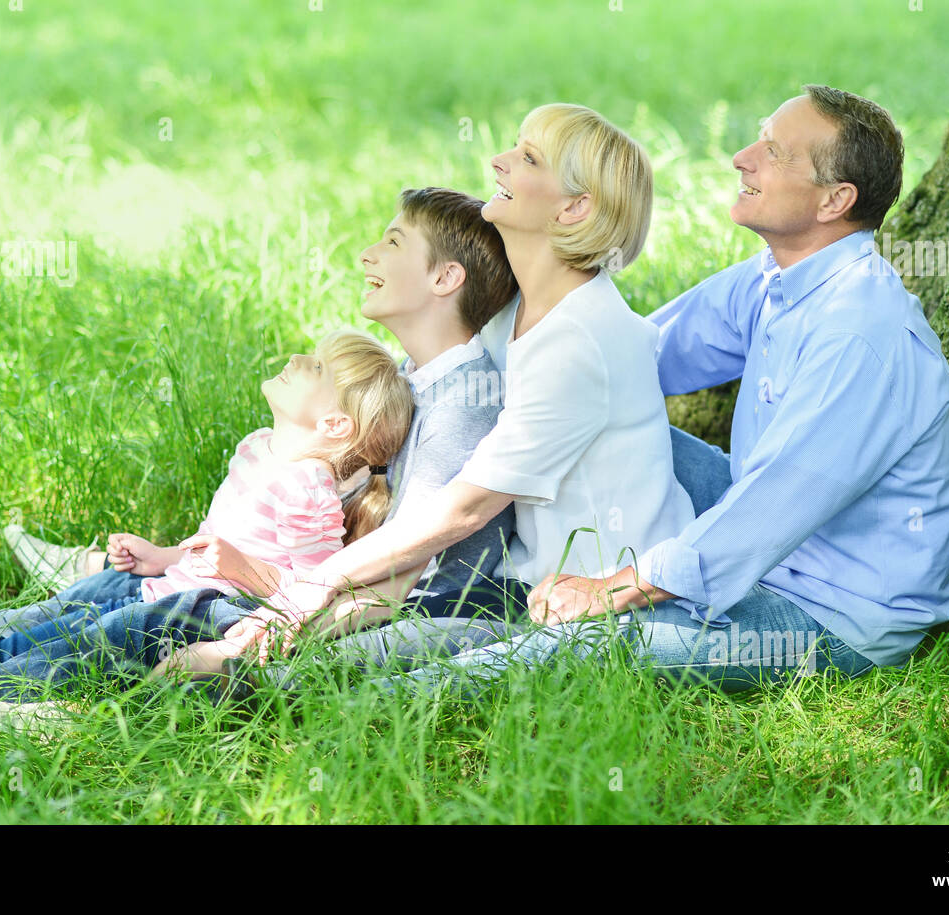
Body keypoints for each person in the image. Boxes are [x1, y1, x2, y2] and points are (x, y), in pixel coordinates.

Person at [268, 85, 949, 696]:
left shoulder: (858, 335)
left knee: (594, 647)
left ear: (834, 200)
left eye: (775, 152)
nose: (741, 158)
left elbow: (769, 510)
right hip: (773, 537)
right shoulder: (777, 280)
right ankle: (434, 582)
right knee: (603, 423)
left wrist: (612, 589)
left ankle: (355, 698)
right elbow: (637, 358)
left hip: (828, 608)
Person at [0, 187, 522, 701]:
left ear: (445, 277)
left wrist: (264, 626)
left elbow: (400, 581)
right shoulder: (414, 377)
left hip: (338, 613)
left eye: (392, 243)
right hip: (286, 589)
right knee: (76, 611)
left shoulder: (459, 409)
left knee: (121, 622)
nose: (366, 254)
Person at [215, 102, 700, 675]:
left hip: (602, 616)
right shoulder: (515, 313)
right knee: (276, 633)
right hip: (523, 588)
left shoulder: (580, 341)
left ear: (575, 207)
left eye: (527, 158)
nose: (499, 162)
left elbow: (465, 509)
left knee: (322, 672)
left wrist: (312, 587)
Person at [0, 328, 415, 692]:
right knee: (23, 622)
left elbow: (307, 591)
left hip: (181, 613)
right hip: (153, 583)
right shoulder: (258, 445)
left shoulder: (309, 492)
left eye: (318, 367)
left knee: (40, 651)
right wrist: (163, 555)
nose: (301, 361)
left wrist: (238, 568)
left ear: (334, 426)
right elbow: (213, 537)